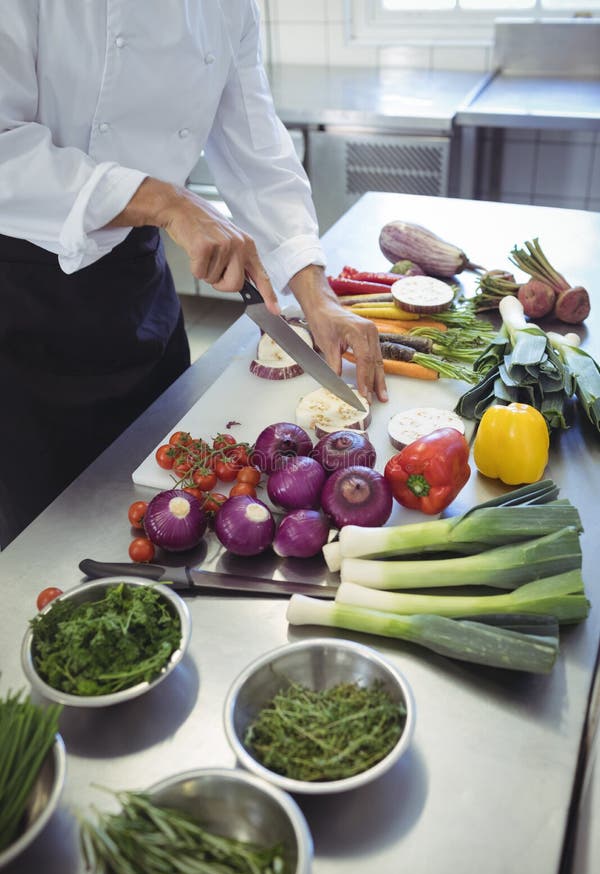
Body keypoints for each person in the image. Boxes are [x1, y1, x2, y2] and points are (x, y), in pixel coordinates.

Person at [0, 1, 387, 548]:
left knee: (173, 493)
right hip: (19, 299)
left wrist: (314, 289)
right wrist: (164, 199)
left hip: (136, 289)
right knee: (46, 538)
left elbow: (255, 143)